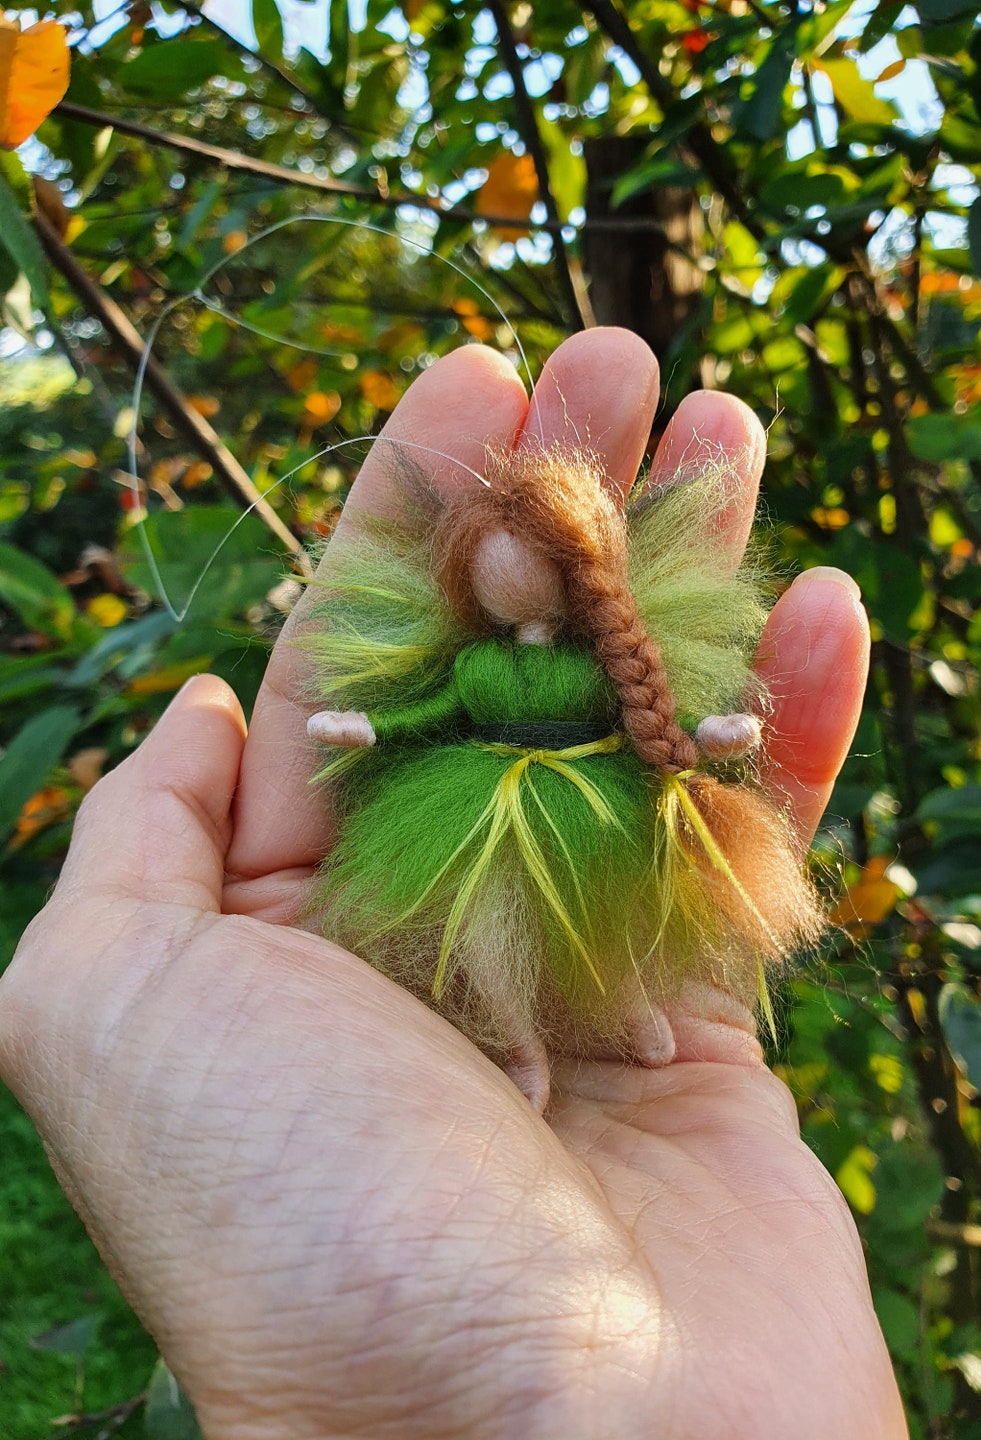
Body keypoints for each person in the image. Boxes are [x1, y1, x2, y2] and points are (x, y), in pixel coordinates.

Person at [0, 329, 907, 1439]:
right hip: (466, 816)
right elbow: (430, 715)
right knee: (486, 945)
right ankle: (516, 1039)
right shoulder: (478, 663)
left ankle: (614, 1014)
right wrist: (365, 720)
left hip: (594, 815)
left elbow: (651, 720)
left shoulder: (596, 662)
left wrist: (714, 732)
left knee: (611, 935)